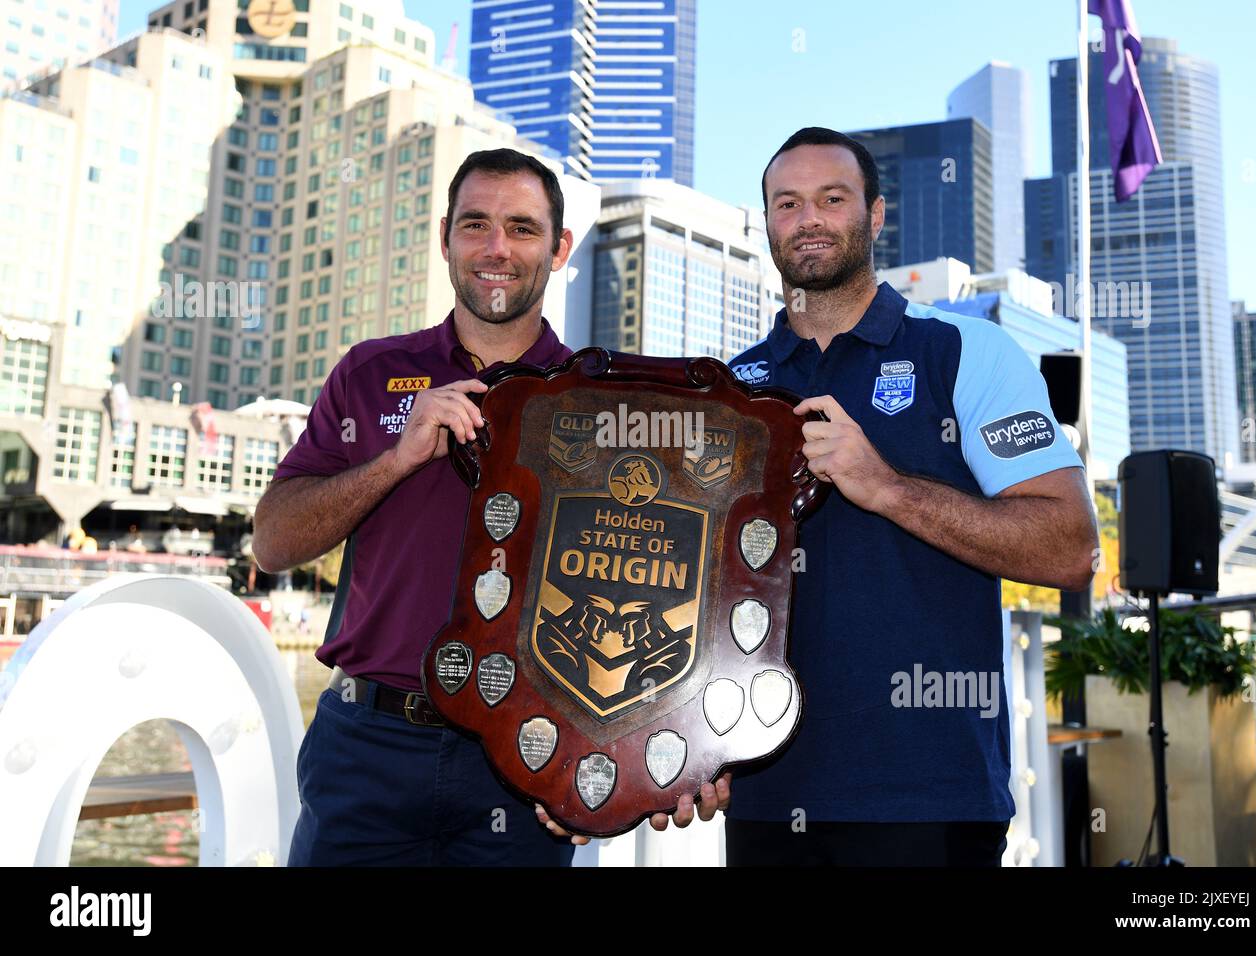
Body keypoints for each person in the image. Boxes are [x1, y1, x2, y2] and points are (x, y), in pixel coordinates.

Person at [254, 148, 726, 866]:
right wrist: (398, 458)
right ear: (445, 236)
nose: (497, 248)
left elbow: (650, 587)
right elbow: (274, 543)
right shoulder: (370, 372)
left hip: (526, 749)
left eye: (522, 228)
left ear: (560, 248)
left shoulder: (605, 405)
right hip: (369, 746)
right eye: (476, 225)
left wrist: (664, 751)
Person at [724, 128, 1098, 866]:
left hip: (931, 796)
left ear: (877, 215)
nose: (809, 219)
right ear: (766, 222)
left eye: (833, 199)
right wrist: (689, 750)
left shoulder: (967, 352)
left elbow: (1071, 549)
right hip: (764, 792)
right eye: (787, 203)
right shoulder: (729, 388)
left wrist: (888, 489)